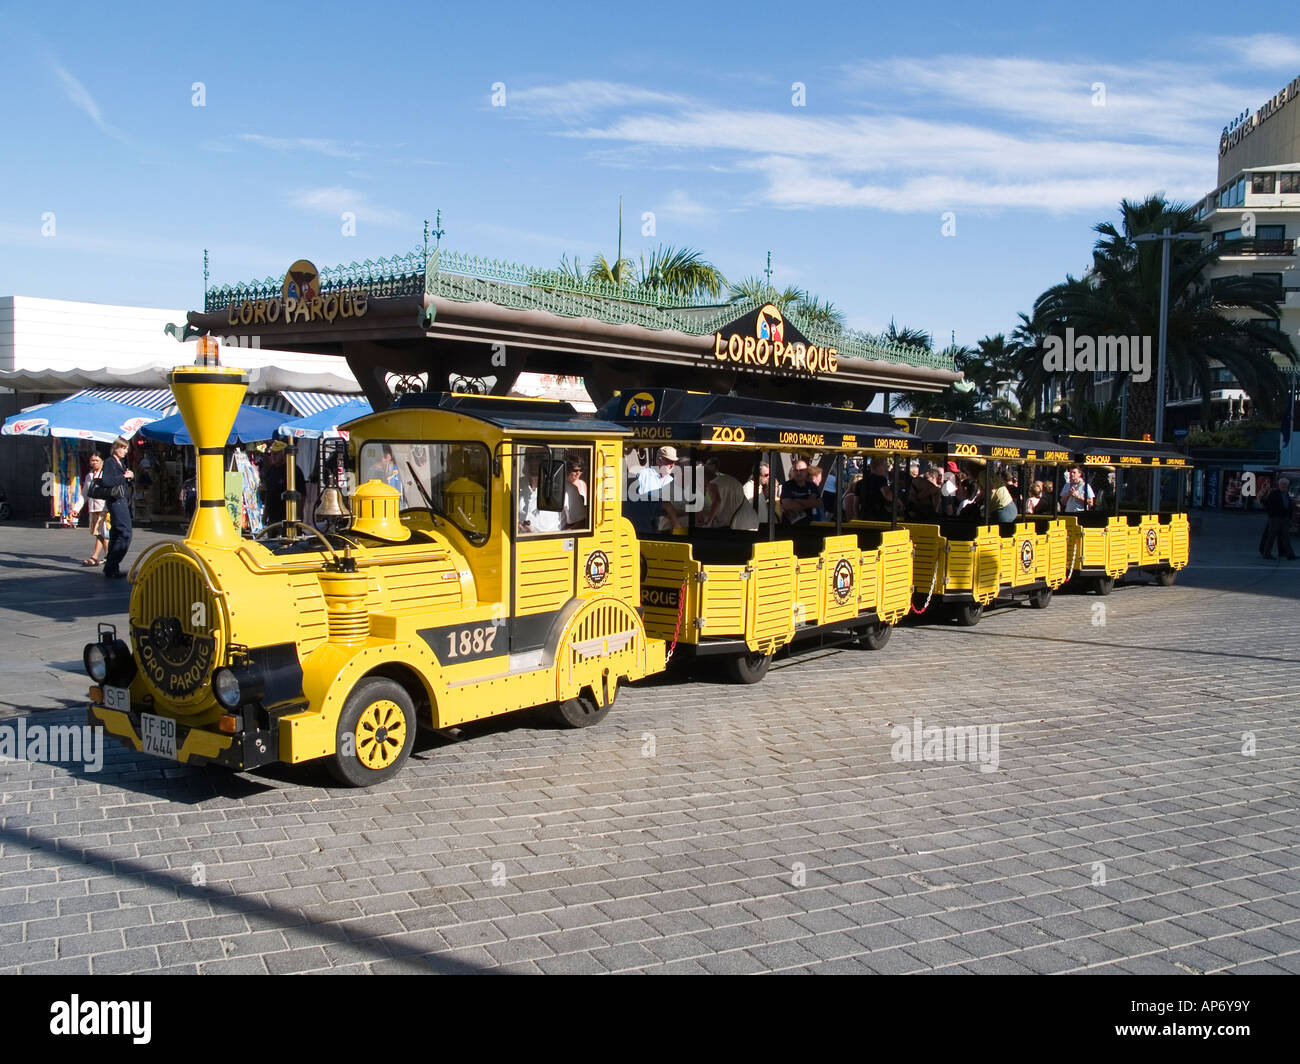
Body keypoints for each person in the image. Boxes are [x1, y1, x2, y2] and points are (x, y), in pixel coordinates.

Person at [98, 438, 134, 579]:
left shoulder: (121, 463)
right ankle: (112, 563)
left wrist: (129, 477)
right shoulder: (110, 462)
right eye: (123, 448)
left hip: (122, 500)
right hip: (116, 501)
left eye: (126, 449)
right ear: (116, 448)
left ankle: (111, 567)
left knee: (117, 533)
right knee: (125, 533)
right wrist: (124, 476)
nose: (125, 451)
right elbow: (107, 481)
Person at [68, 452, 109, 566]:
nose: (94, 463)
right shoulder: (89, 476)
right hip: (93, 507)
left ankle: (97, 557)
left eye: (97, 460)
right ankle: (108, 557)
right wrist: (76, 508)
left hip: (104, 508)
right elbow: (84, 494)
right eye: (92, 460)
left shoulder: (106, 475)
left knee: (103, 533)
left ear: (102, 462)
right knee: (99, 533)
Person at [700, 456, 748, 529]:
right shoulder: (731, 480)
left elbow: (717, 501)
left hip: (723, 525)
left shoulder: (712, 484)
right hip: (740, 522)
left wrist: (709, 520)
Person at [1260, 477, 1297, 560]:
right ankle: (1266, 554)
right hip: (1275, 519)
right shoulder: (1274, 494)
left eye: (1285, 484)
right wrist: (1271, 515)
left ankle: (1290, 555)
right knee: (1271, 537)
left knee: (1286, 537)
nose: (1284, 486)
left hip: (1285, 519)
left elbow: (1289, 507)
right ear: (1279, 485)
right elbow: (1267, 505)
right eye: (1282, 484)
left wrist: (1290, 518)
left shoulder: (1287, 495)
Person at [780, 458, 821, 525]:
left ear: (806, 471)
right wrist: (807, 503)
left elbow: (817, 503)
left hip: (808, 526)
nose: (798, 473)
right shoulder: (787, 485)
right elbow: (787, 505)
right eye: (796, 470)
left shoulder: (812, 486)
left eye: (801, 470)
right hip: (789, 526)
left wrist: (796, 500)